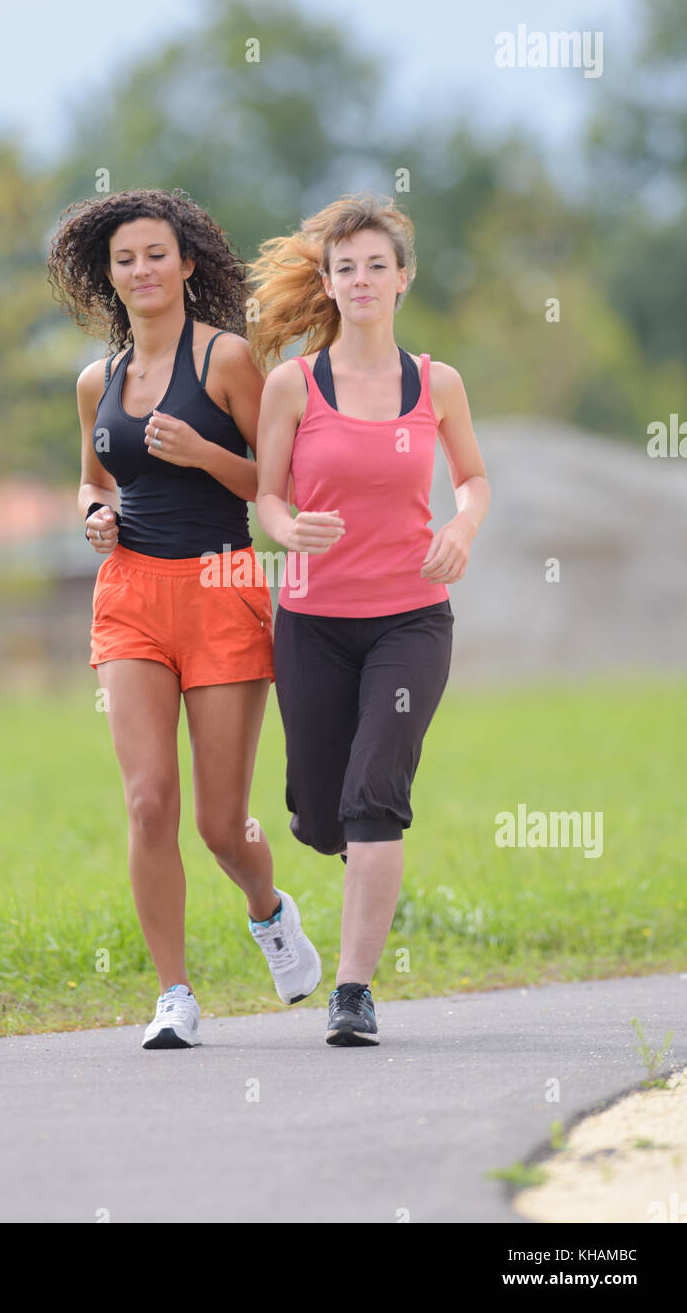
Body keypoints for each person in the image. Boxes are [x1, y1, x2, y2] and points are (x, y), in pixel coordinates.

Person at [47, 188, 321, 1049]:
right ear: (109, 278)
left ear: (187, 263)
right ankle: (174, 995)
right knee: (146, 801)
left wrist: (206, 454)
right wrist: (94, 513)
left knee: (216, 823)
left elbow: (277, 486)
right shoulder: (99, 380)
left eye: (156, 254)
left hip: (222, 585)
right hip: (129, 596)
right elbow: (96, 477)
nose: (141, 270)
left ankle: (268, 912)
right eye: (124, 260)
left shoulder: (229, 361)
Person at [249, 193, 489, 1046]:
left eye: (375, 266)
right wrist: (285, 528)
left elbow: (472, 479)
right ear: (327, 280)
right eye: (344, 267)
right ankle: (343, 842)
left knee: (372, 799)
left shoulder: (437, 383)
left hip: (410, 622)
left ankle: (351, 993)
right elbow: (266, 493)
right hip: (311, 622)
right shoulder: (292, 385)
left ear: (402, 280)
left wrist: (461, 525)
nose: (360, 279)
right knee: (321, 814)